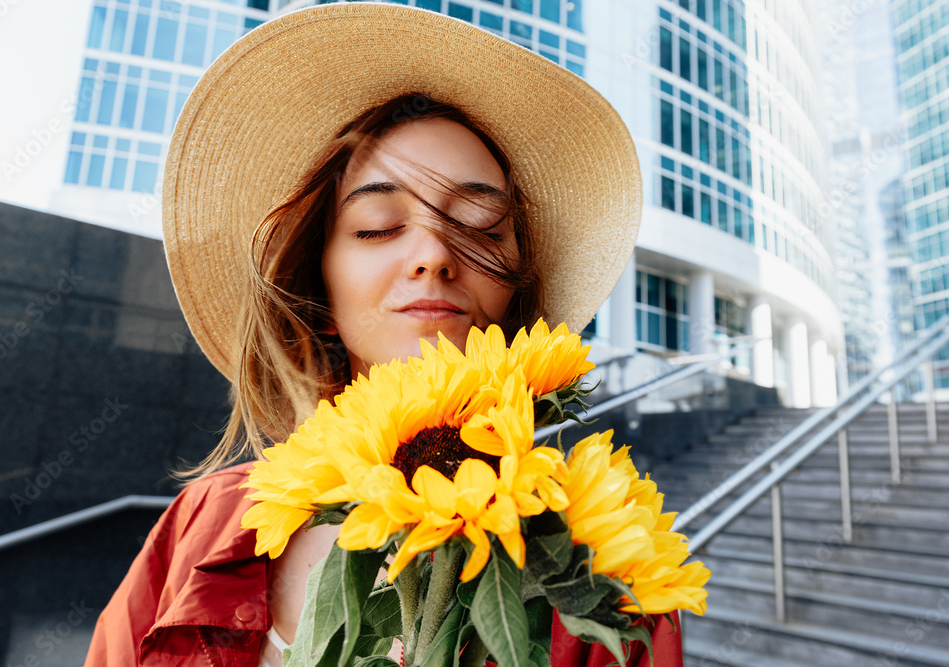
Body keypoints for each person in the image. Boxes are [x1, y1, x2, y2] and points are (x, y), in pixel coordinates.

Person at [85, 3, 681, 665]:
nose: (433, 253)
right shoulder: (201, 525)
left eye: (482, 224)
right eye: (376, 224)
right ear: (318, 275)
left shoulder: (611, 564)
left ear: (520, 284)